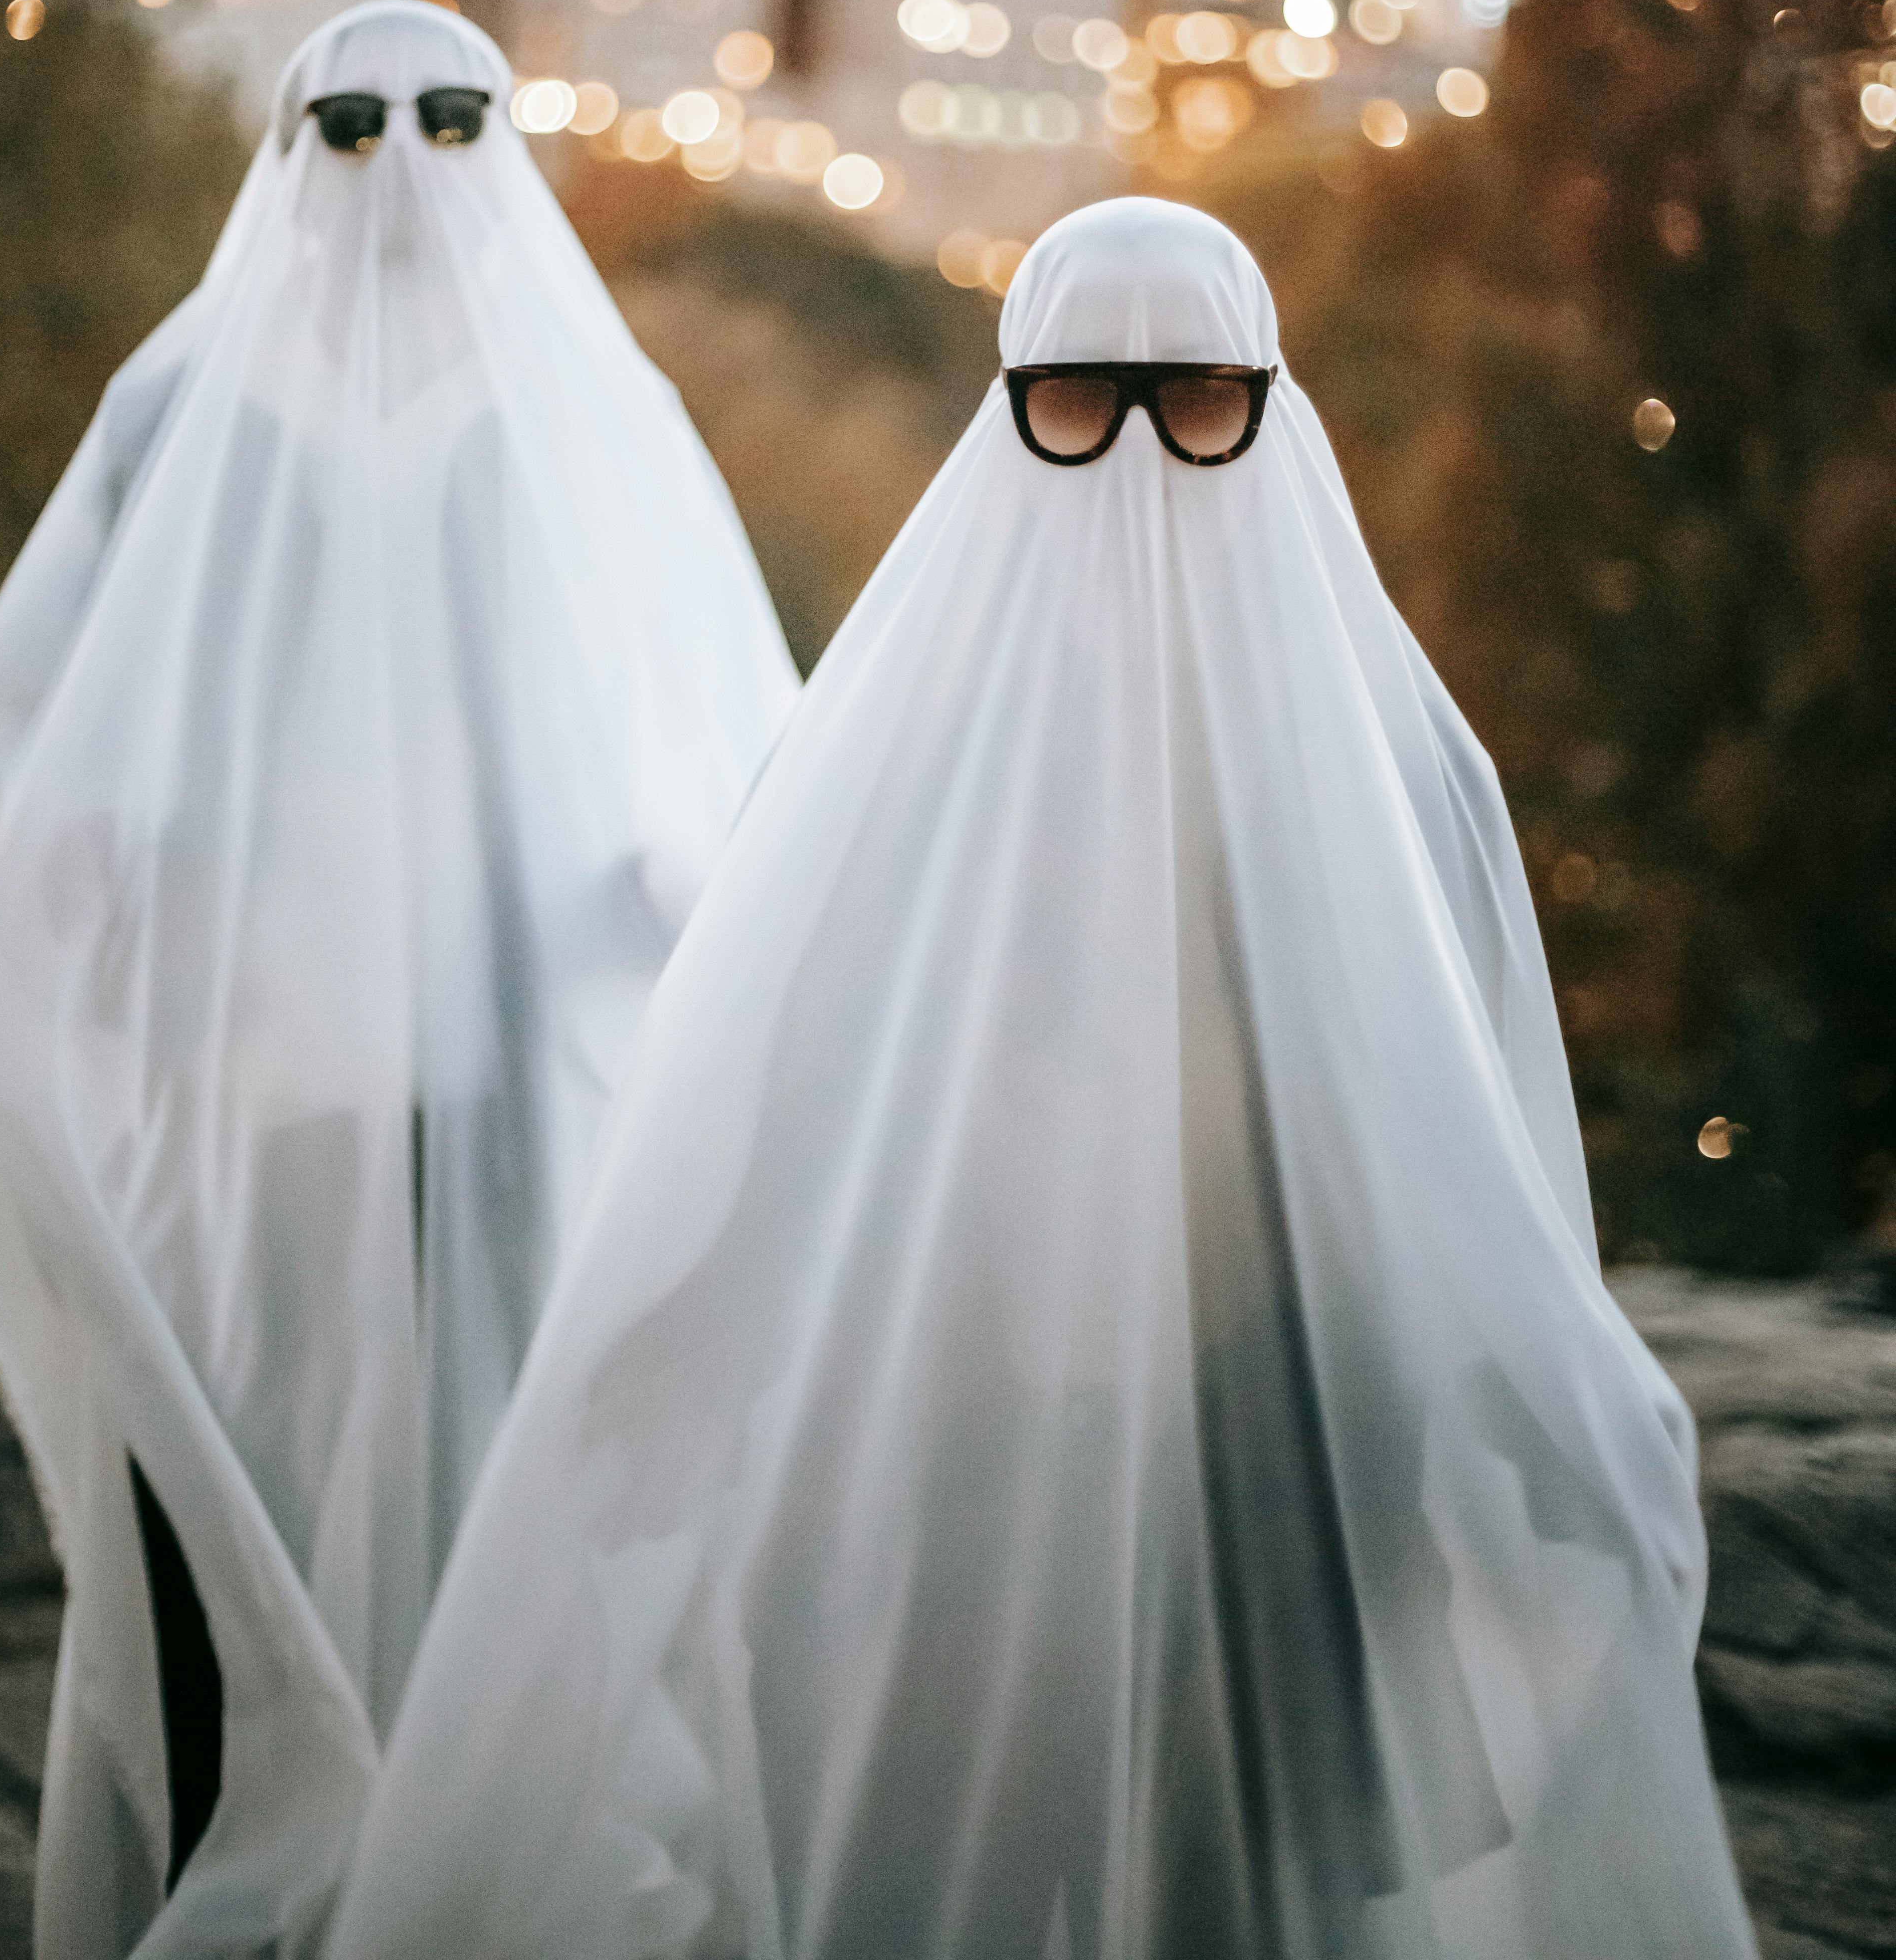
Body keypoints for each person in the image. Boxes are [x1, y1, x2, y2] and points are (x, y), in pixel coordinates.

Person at [327, 193, 1756, 1960]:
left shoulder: (1393, 768)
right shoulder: (901, 754)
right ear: (1010, 411)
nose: (1147, 452)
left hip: (1285, 1457)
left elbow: (1449, 1129)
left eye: (1201, 400)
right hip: (953, 1452)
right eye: (1085, 401)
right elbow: (781, 1084)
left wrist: (1545, 1403)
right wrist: (664, 1357)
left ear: (1270, 407)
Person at [0, 0, 798, 1959]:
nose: (402, 161)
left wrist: (692, 902)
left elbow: (703, 735)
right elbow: (38, 750)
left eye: (456, 116)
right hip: (248, 1120)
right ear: (293, 140)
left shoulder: (594, 420)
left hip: (513, 1106)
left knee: (515, 1526)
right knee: (246, 1525)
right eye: (356, 119)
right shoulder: (177, 420)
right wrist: (88, 879)